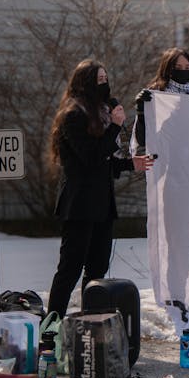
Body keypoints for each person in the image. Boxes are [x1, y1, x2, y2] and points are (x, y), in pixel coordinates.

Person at [47, 59, 152, 318]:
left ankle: (89, 323)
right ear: (85, 83)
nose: (105, 85)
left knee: (97, 270)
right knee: (70, 269)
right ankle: (52, 326)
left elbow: (103, 163)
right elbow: (91, 158)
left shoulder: (100, 113)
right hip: (80, 204)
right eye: (99, 80)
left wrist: (130, 163)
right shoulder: (73, 114)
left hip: (102, 204)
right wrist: (115, 125)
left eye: (106, 79)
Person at [133, 47, 189, 153]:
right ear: (168, 68)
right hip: (165, 158)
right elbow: (142, 139)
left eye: (187, 68)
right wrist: (141, 111)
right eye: (178, 67)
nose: (183, 71)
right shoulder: (156, 94)